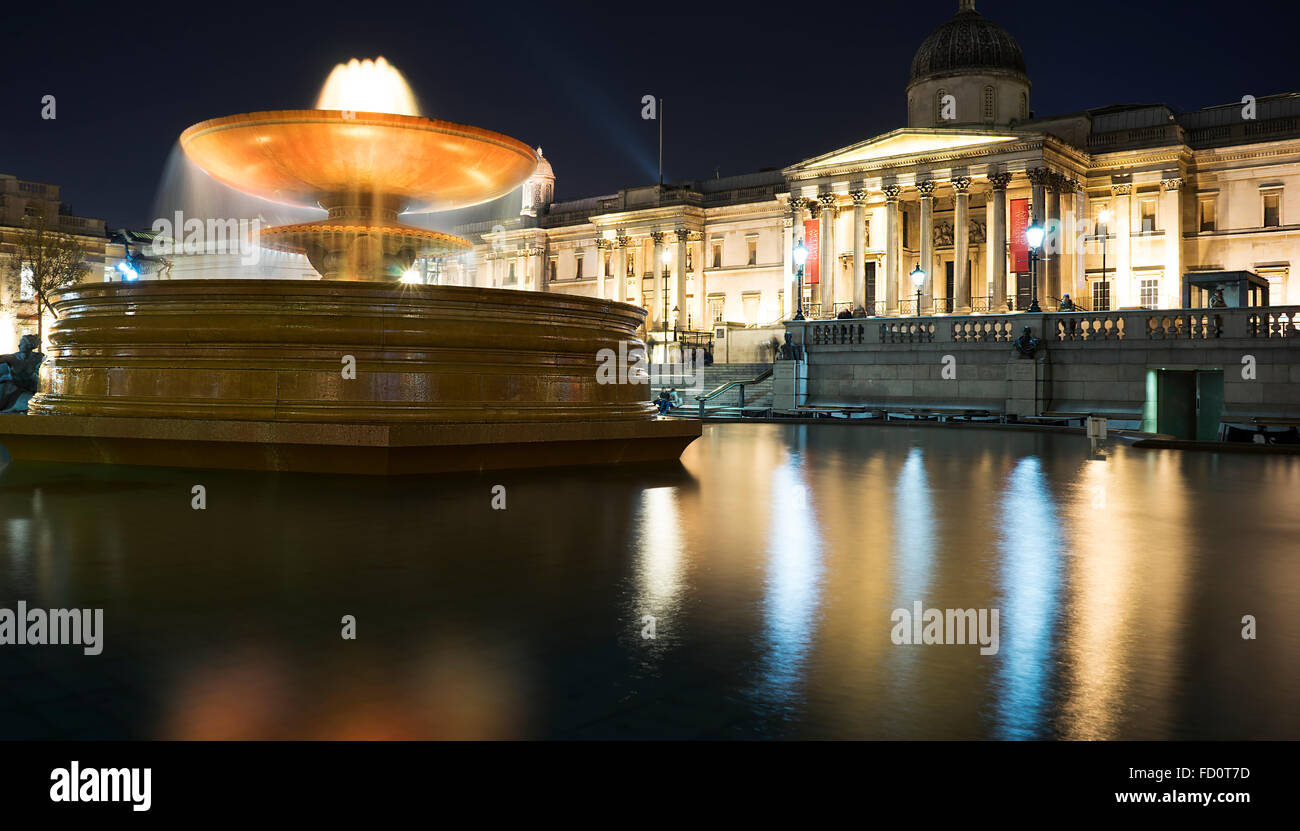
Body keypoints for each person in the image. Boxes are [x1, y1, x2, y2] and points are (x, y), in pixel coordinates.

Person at [0, 335, 44, 414]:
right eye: (20, 343)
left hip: (29, 391)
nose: (19, 345)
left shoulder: (38, 358)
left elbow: (41, 380)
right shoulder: (12, 358)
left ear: (30, 345)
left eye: (23, 343)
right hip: (11, 391)